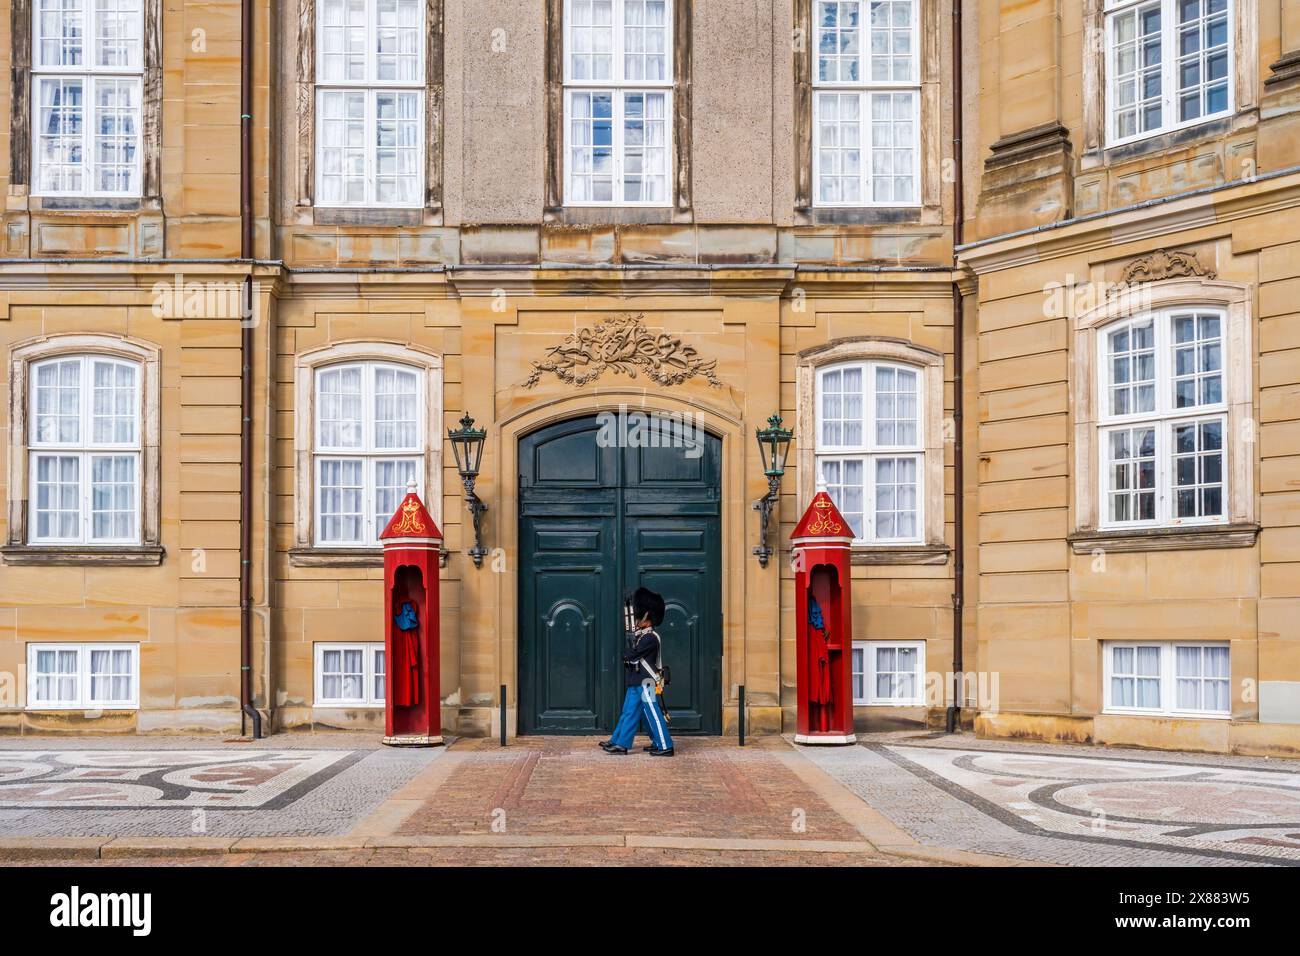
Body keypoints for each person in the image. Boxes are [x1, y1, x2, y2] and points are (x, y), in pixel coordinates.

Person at [600, 587, 674, 756]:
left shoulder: (650, 638)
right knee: (629, 712)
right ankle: (620, 742)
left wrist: (628, 652)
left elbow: (632, 654)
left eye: (640, 615)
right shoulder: (642, 636)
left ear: (647, 617)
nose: (636, 618)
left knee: (653, 714)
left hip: (646, 681)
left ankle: (665, 745)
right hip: (637, 680)